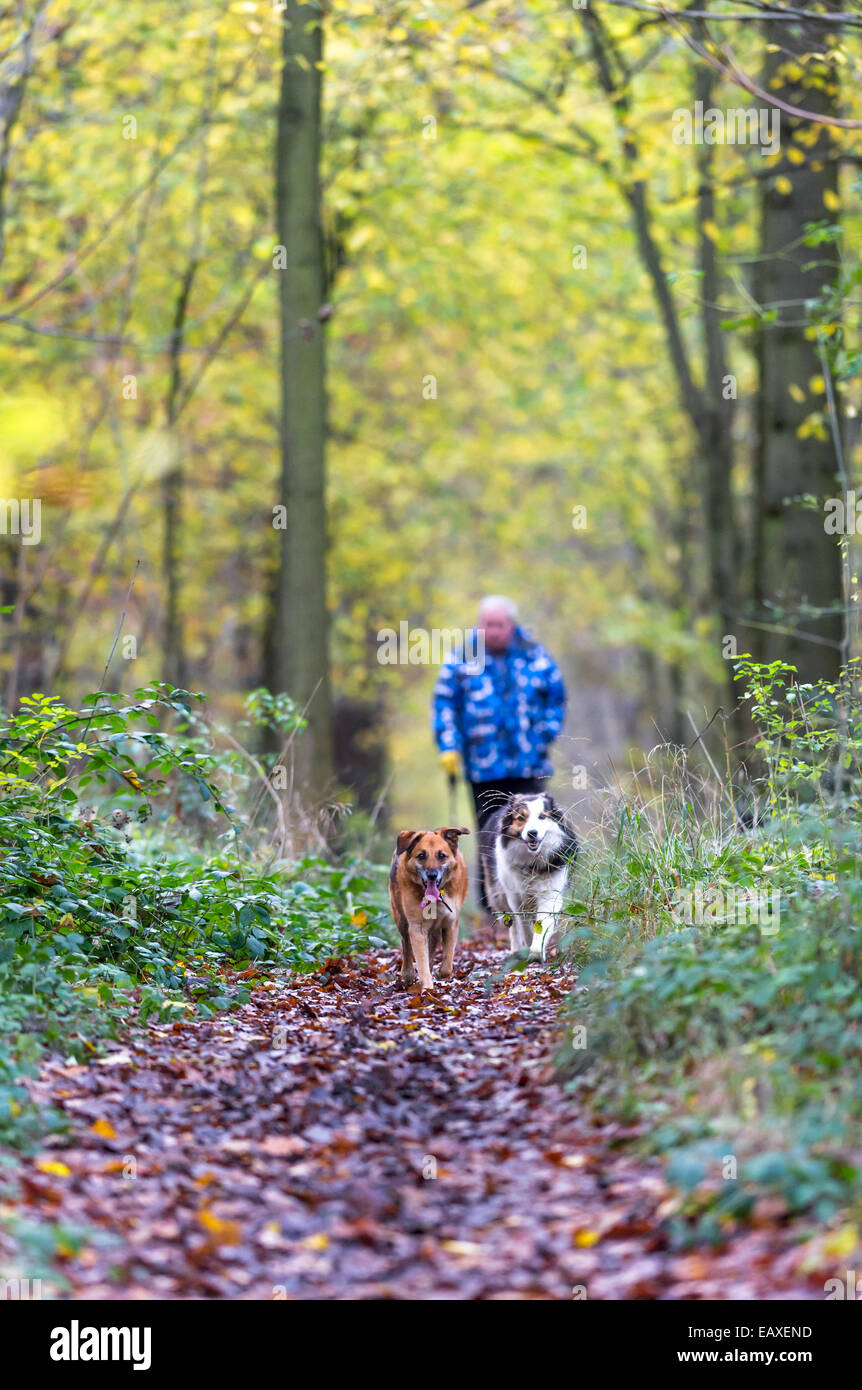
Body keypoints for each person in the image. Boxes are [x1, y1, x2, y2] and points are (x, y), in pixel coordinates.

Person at [431, 596, 567, 911]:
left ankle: (537, 897)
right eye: (487, 624)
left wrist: (545, 732)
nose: (493, 631)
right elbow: (443, 704)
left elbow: (557, 697)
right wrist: (448, 745)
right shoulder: (462, 657)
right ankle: (494, 905)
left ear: (511, 625)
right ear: (480, 625)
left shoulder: (535, 655)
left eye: (499, 625)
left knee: (534, 828)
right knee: (491, 831)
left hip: (528, 764)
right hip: (483, 766)